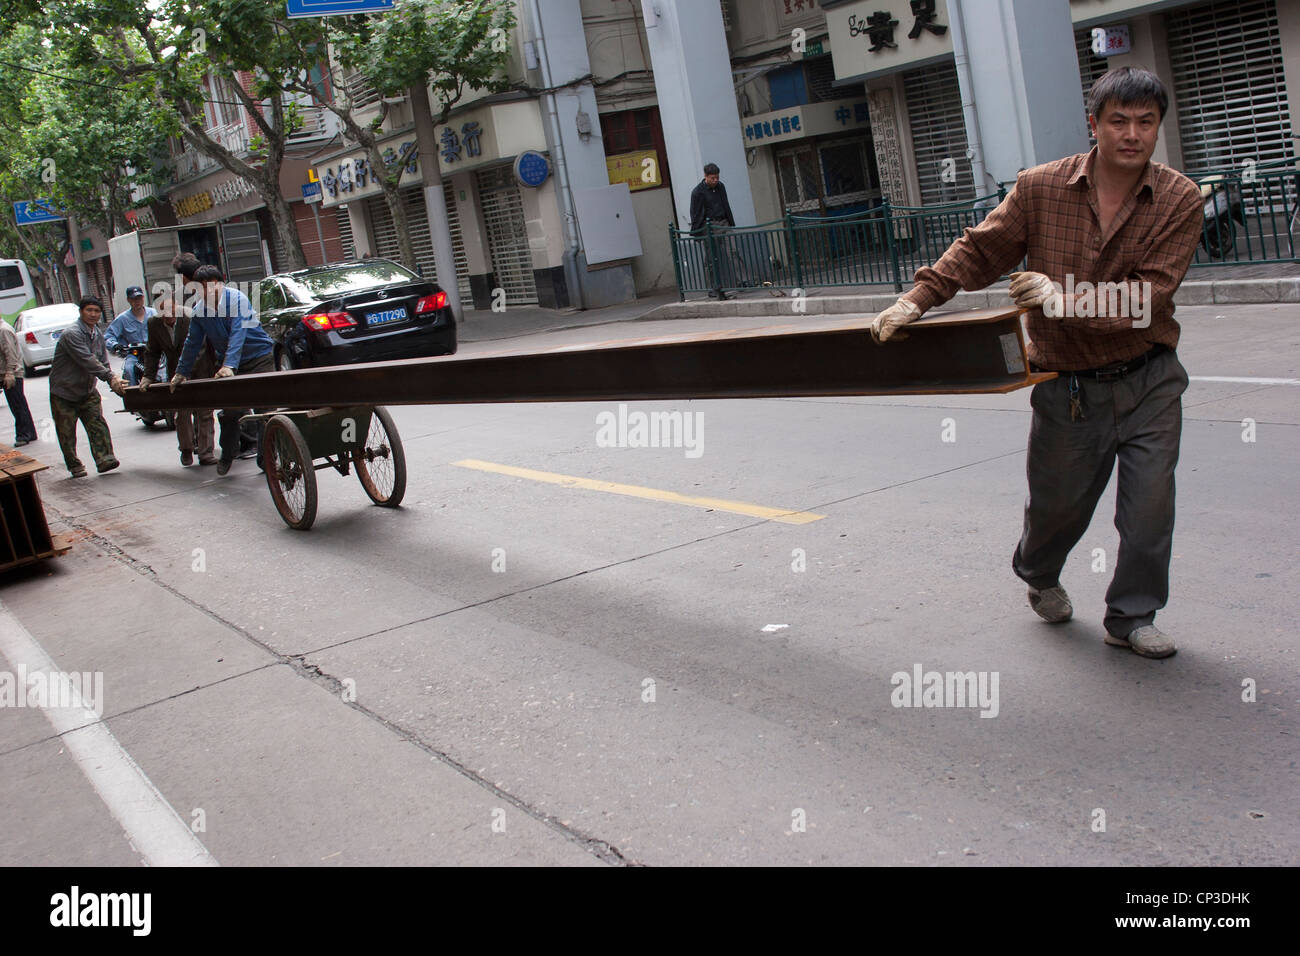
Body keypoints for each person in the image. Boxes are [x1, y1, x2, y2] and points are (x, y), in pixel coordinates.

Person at [867, 67, 1203, 660]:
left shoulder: (1179, 198)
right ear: (1093, 124)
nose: (1132, 134)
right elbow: (980, 249)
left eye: (1145, 122)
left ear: (1159, 128)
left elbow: (1150, 297)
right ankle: (1039, 571)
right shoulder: (1041, 188)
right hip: (1068, 386)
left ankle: (1132, 616)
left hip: (1150, 378)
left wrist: (1061, 299)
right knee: (1057, 509)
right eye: (1119, 121)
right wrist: (916, 299)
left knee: (1150, 510)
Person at [170, 265, 276, 476]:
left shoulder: (237, 300)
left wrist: (229, 365)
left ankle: (267, 458)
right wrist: (181, 372)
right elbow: (192, 343)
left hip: (258, 358)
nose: (208, 292)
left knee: (265, 411)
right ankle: (228, 452)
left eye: (212, 286)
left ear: (221, 283)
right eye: (202, 288)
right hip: (229, 363)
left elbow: (238, 333)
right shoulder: (199, 310)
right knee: (230, 411)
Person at [141, 253, 218, 466]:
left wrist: (186, 371)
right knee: (182, 414)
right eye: (163, 311)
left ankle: (206, 452)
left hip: (199, 369)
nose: (169, 315)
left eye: (171, 309)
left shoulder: (191, 317)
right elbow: (152, 351)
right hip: (175, 373)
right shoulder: (154, 324)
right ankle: (186, 449)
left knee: (204, 413)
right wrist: (148, 376)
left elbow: (200, 347)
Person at [49, 297, 126, 477]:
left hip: (87, 389)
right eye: (89, 310)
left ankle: (105, 458)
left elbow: (102, 361)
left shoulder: (96, 333)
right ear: (81, 312)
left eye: (96, 311)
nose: (93, 314)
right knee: (66, 432)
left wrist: (113, 380)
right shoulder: (72, 334)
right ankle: (74, 464)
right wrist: (109, 377)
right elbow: (87, 360)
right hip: (64, 391)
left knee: (97, 423)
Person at [689, 162, 746, 299]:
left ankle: (743, 280)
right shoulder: (697, 192)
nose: (715, 180)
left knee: (733, 251)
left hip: (723, 222)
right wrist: (699, 231)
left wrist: (729, 221)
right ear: (706, 176)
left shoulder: (721, 187)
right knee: (710, 258)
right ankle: (713, 287)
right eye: (712, 178)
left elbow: (725, 204)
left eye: (717, 178)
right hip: (709, 226)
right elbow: (695, 213)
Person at [105, 286, 155, 386]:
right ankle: (133, 392)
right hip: (135, 354)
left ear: (143, 298)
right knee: (129, 369)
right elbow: (109, 336)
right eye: (133, 299)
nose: (137, 301)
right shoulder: (122, 318)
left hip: (155, 352)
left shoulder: (154, 313)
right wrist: (115, 345)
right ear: (128, 300)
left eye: (139, 298)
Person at [0, 318, 37, 446]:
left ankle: (23, 435)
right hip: (6, 373)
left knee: (17, 405)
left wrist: (10, 372)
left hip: (11, 374)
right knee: (19, 404)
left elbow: (11, 353)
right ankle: (30, 433)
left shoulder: (3, 330)